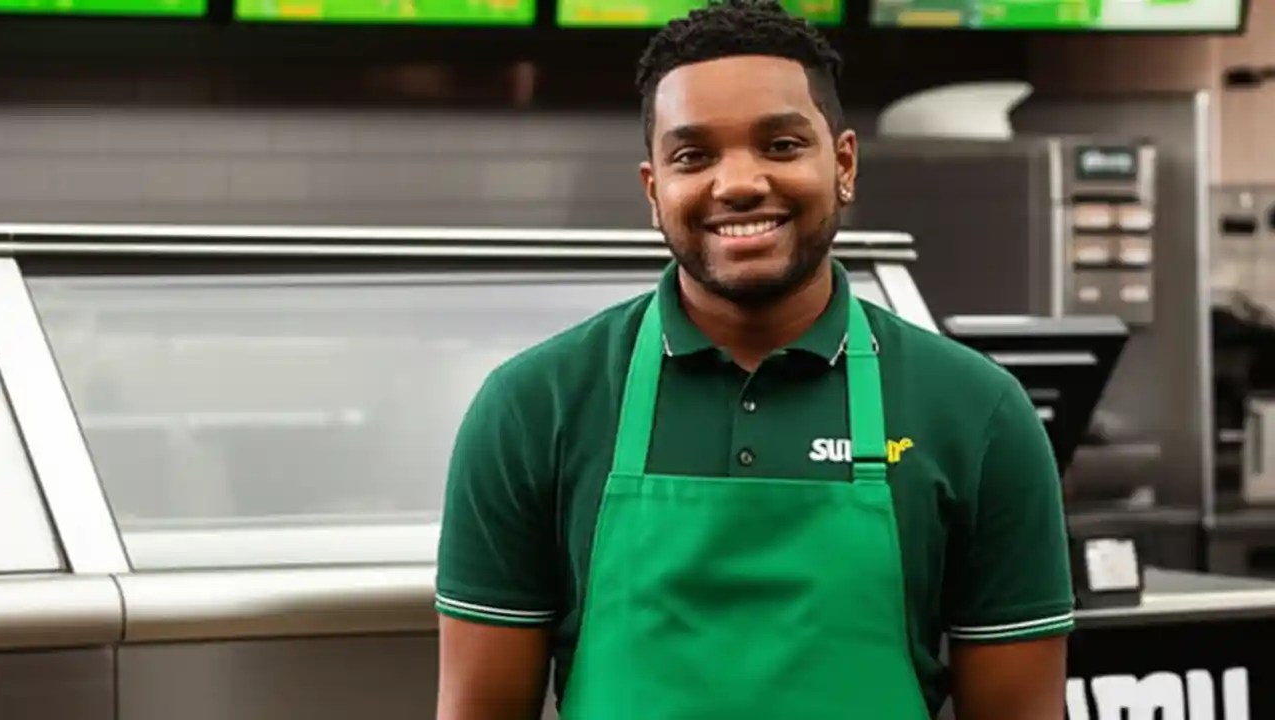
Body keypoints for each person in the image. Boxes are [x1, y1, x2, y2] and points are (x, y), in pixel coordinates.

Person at [435, 0, 1074, 717]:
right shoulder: (534, 407)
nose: (737, 183)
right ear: (654, 192)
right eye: (693, 155)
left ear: (844, 164)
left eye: (779, 145)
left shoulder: (976, 412)